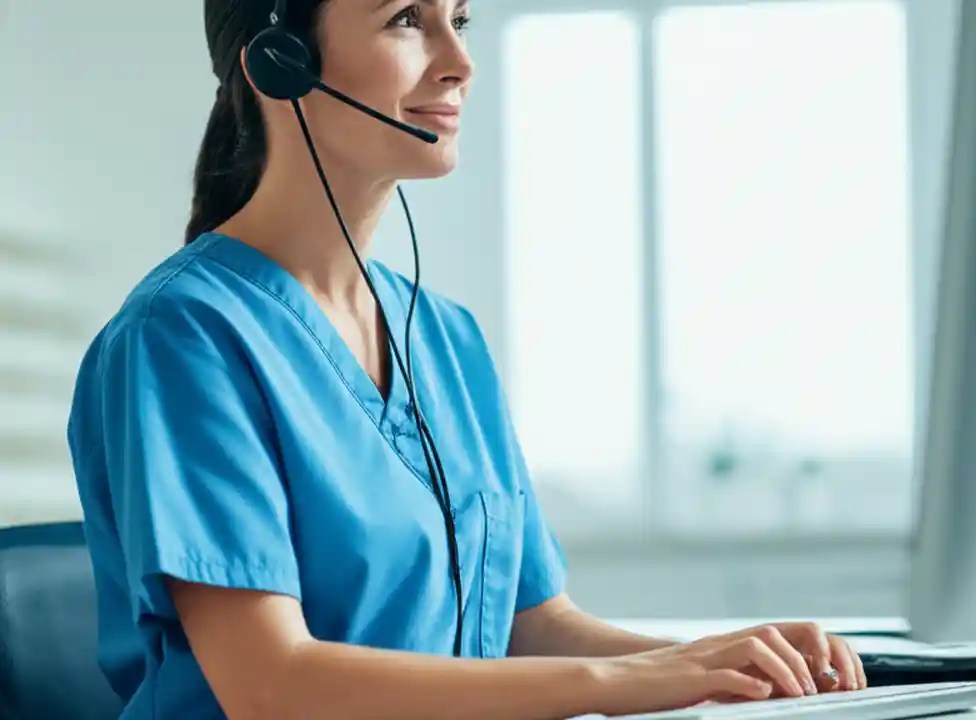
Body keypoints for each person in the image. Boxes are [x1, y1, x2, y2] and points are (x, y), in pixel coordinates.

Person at [65, 1, 867, 718]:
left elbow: (531, 626)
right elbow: (272, 686)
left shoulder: (445, 336)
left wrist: (733, 666)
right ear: (282, 62)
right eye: (407, 19)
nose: (459, 60)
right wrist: (635, 683)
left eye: (462, 18)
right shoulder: (183, 336)